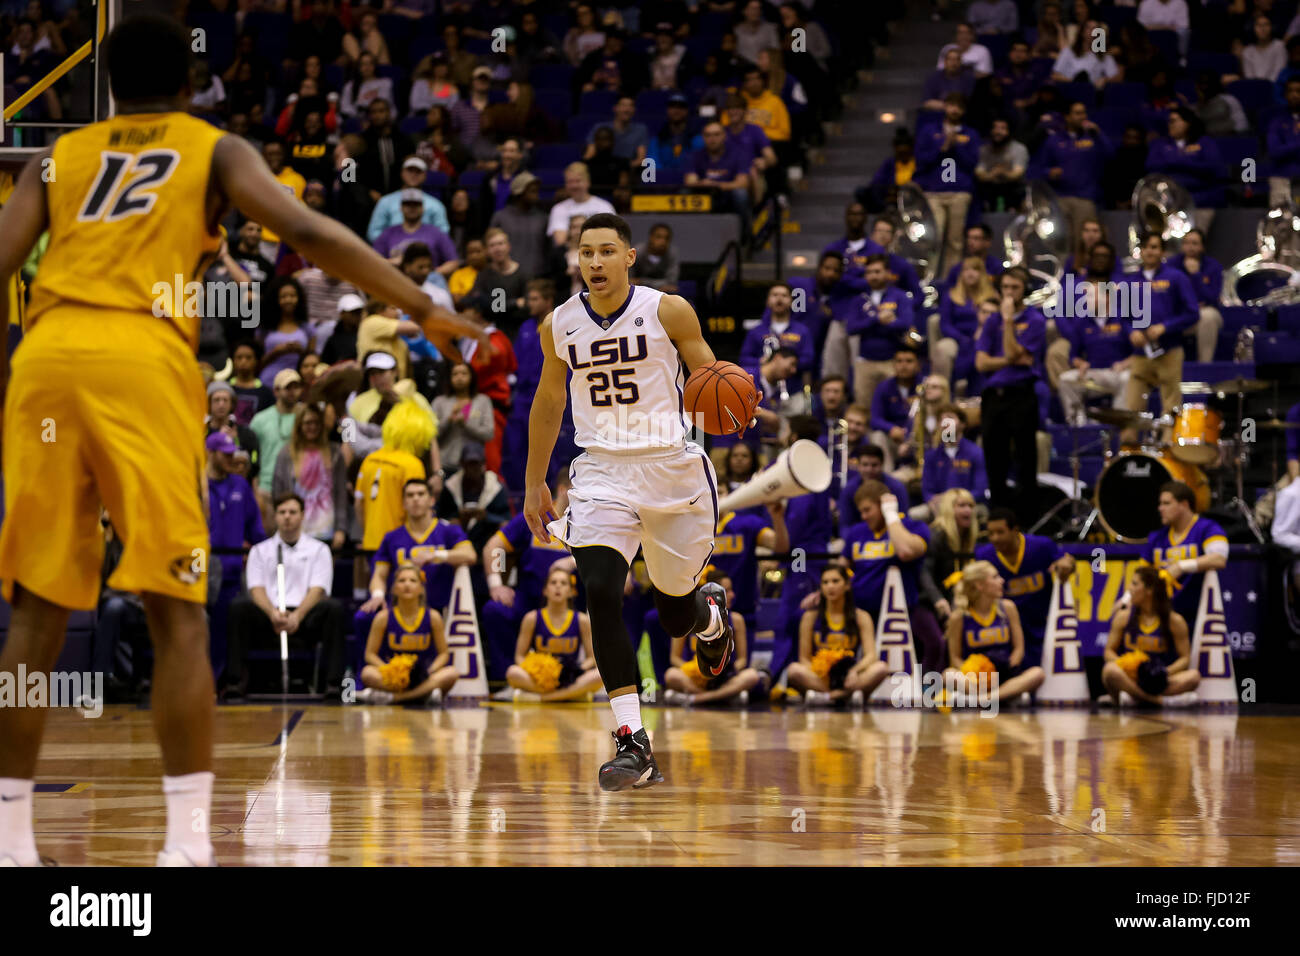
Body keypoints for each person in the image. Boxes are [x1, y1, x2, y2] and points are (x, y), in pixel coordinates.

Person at [0, 13, 481, 870]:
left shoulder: (55, 157)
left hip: (46, 357)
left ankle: (9, 845)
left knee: (36, 613)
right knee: (178, 611)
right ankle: (186, 846)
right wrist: (422, 306)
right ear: (190, 87)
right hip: (141, 357)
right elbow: (311, 234)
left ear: (108, 88)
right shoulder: (211, 147)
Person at [522, 212, 762, 791]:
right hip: (601, 471)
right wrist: (534, 481)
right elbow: (549, 401)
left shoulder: (668, 309)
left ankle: (707, 615)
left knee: (673, 613)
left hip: (670, 468)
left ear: (630, 257)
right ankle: (633, 743)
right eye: (586, 253)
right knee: (601, 592)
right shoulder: (558, 325)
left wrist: (732, 399)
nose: (596, 262)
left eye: (607, 251)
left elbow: (709, 376)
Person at [224, 493, 347, 700]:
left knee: (334, 609)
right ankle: (235, 682)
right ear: (275, 516)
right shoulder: (260, 551)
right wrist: (273, 613)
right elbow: (256, 589)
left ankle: (335, 684)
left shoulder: (319, 550)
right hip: (269, 614)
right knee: (238, 607)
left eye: (292, 512)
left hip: (305, 614)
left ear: (302, 516)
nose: (287, 517)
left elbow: (319, 588)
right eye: (282, 512)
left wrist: (297, 615)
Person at [839, 480, 945, 673]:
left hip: (905, 607)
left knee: (934, 642)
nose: (863, 516)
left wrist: (890, 516)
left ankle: (927, 690)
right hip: (863, 609)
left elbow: (905, 551)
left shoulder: (914, 526)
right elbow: (841, 568)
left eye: (867, 510)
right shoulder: (857, 532)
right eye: (860, 511)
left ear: (882, 504)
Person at [975, 508, 1076, 671]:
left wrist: (1067, 565)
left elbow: (1067, 562)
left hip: (1042, 620)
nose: (994, 538)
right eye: (990, 533)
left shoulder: (1042, 546)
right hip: (1007, 625)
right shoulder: (984, 555)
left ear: (1015, 530)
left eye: (1000, 532)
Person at [1122, 231, 1198, 443]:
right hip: (1140, 354)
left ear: (1162, 251)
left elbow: (1192, 313)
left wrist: (1166, 327)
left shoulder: (1176, 277)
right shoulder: (1130, 282)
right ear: (1141, 251)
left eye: (1154, 247)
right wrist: (1131, 332)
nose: (1150, 251)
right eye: (1146, 247)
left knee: (1171, 406)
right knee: (1132, 407)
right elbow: (1123, 317)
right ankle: (1128, 453)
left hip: (1169, 350)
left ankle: (1168, 450)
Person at [356, 563, 459, 706]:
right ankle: (424, 694)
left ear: (421, 589)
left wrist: (431, 670)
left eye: (413, 580)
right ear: (394, 589)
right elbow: (370, 654)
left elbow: (444, 654)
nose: (407, 585)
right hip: (394, 677)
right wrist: (389, 670)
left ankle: (395, 698)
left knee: (452, 673)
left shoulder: (433, 617)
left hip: (424, 675)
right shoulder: (383, 617)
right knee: (367, 673)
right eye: (402, 580)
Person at [944, 561, 1046, 704]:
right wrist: (973, 673)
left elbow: (1019, 649)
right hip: (975, 679)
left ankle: (984, 699)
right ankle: (1004, 696)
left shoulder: (1008, 608)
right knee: (948, 674)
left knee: (1037, 673)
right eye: (995, 577)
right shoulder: (959, 617)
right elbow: (954, 657)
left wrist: (1007, 666)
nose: (1001, 580)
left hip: (1005, 674)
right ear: (979, 585)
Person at [787, 564, 888, 707]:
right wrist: (822, 674)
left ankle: (828, 697)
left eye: (835, 581)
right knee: (794, 670)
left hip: (849, 676)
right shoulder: (810, 617)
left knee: (881, 668)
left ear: (847, 585)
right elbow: (804, 658)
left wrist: (854, 671)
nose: (830, 586)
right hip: (821, 677)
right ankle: (847, 696)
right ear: (821, 587)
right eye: (825, 582)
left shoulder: (861, 617)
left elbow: (871, 655)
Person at [1057, 242, 1134, 425]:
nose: (1088, 300)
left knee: (1128, 378)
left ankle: (1119, 422)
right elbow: (1073, 355)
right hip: (1093, 374)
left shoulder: (1122, 319)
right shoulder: (1082, 322)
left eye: (1093, 296)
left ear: (1108, 297)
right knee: (1066, 379)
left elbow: (1138, 353)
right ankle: (1080, 426)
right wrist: (1079, 363)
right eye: (1087, 296)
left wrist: (1125, 363)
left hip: (1116, 373)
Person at [1101, 564, 1200, 706]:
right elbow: (1108, 652)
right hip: (1131, 678)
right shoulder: (1123, 617)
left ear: (1149, 590)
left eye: (1135, 584)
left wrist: (1163, 672)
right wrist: (1128, 667)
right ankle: (1159, 701)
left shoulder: (1174, 621)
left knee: (1193, 677)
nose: (1130, 589)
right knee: (1109, 671)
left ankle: (1133, 699)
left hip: (1159, 681)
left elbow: (1185, 658)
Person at [662, 571, 764, 707]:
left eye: (731, 590)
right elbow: (674, 658)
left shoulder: (737, 619)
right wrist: (694, 670)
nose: (732, 595)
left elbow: (742, 660)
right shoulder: (688, 618)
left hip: (725, 676)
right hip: (696, 677)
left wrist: (725, 670)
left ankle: (695, 699)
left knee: (751, 675)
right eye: (727, 591)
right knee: (671, 674)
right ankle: (725, 697)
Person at [505, 566, 604, 701]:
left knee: (599, 675)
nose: (558, 586)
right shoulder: (532, 618)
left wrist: (577, 669)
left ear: (571, 591)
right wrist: (536, 670)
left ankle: (542, 698)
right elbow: (519, 656)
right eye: (553, 582)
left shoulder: (581, 620)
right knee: (512, 672)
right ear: (545, 590)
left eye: (563, 583)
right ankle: (572, 695)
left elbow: (592, 658)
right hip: (541, 678)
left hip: (570, 676)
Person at [1138, 481, 1229, 625]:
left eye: (1167, 503)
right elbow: (1140, 576)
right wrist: (1126, 600)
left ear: (1184, 505)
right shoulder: (1156, 537)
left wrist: (1181, 566)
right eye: (1160, 503)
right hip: (1163, 614)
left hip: (1199, 613)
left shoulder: (1207, 528)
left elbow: (1219, 559)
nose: (1160, 508)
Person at [916, 93, 980, 273]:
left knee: (955, 240)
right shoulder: (930, 131)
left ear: (963, 110)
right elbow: (921, 159)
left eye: (959, 106)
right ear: (945, 106)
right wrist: (942, 147)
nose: (955, 109)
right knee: (933, 237)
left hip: (959, 192)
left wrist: (956, 145)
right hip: (934, 192)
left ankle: (949, 281)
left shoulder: (970, 134)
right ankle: (928, 279)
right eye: (951, 105)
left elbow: (972, 163)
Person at [920, 487, 981, 628]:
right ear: (949, 509)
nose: (968, 510)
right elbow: (924, 573)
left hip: (956, 601)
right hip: (929, 602)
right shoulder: (936, 535)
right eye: (961, 506)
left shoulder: (970, 537)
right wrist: (938, 599)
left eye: (970, 506)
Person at [937, 255, 997, 386]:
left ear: (982, 273)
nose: (970, 273)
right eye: (966, 269)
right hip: (959, 339)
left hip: (986, 337)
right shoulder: (950, 295)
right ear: (961, 273)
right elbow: (945, 324)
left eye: (975, 269)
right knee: (947, 348)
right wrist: (963, 339)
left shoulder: (992, 295)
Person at [1168, 227, 1224, 364]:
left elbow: (1212, 298)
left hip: (1202, 316)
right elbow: (1167, 296)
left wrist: (1196, 276)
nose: (1190, 247)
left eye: (1195, 243)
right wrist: (1190, 304)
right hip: (1180, 315)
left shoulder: (1213, 266)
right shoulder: (1171, 265)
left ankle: (1204, 367)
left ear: (1203, 247)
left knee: (1208, 316)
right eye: (1186, 243)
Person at [431, 360, 495, 472]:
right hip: (445, 463)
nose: (459, 377)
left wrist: (465, 423)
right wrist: (449, 420)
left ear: (472, 377)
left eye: (464, 373)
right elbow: (431, 435)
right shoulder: (439, 402)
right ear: (449, 378)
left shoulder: (482, 401)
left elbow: (489, 434)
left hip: (473, 464)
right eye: (455, 374)